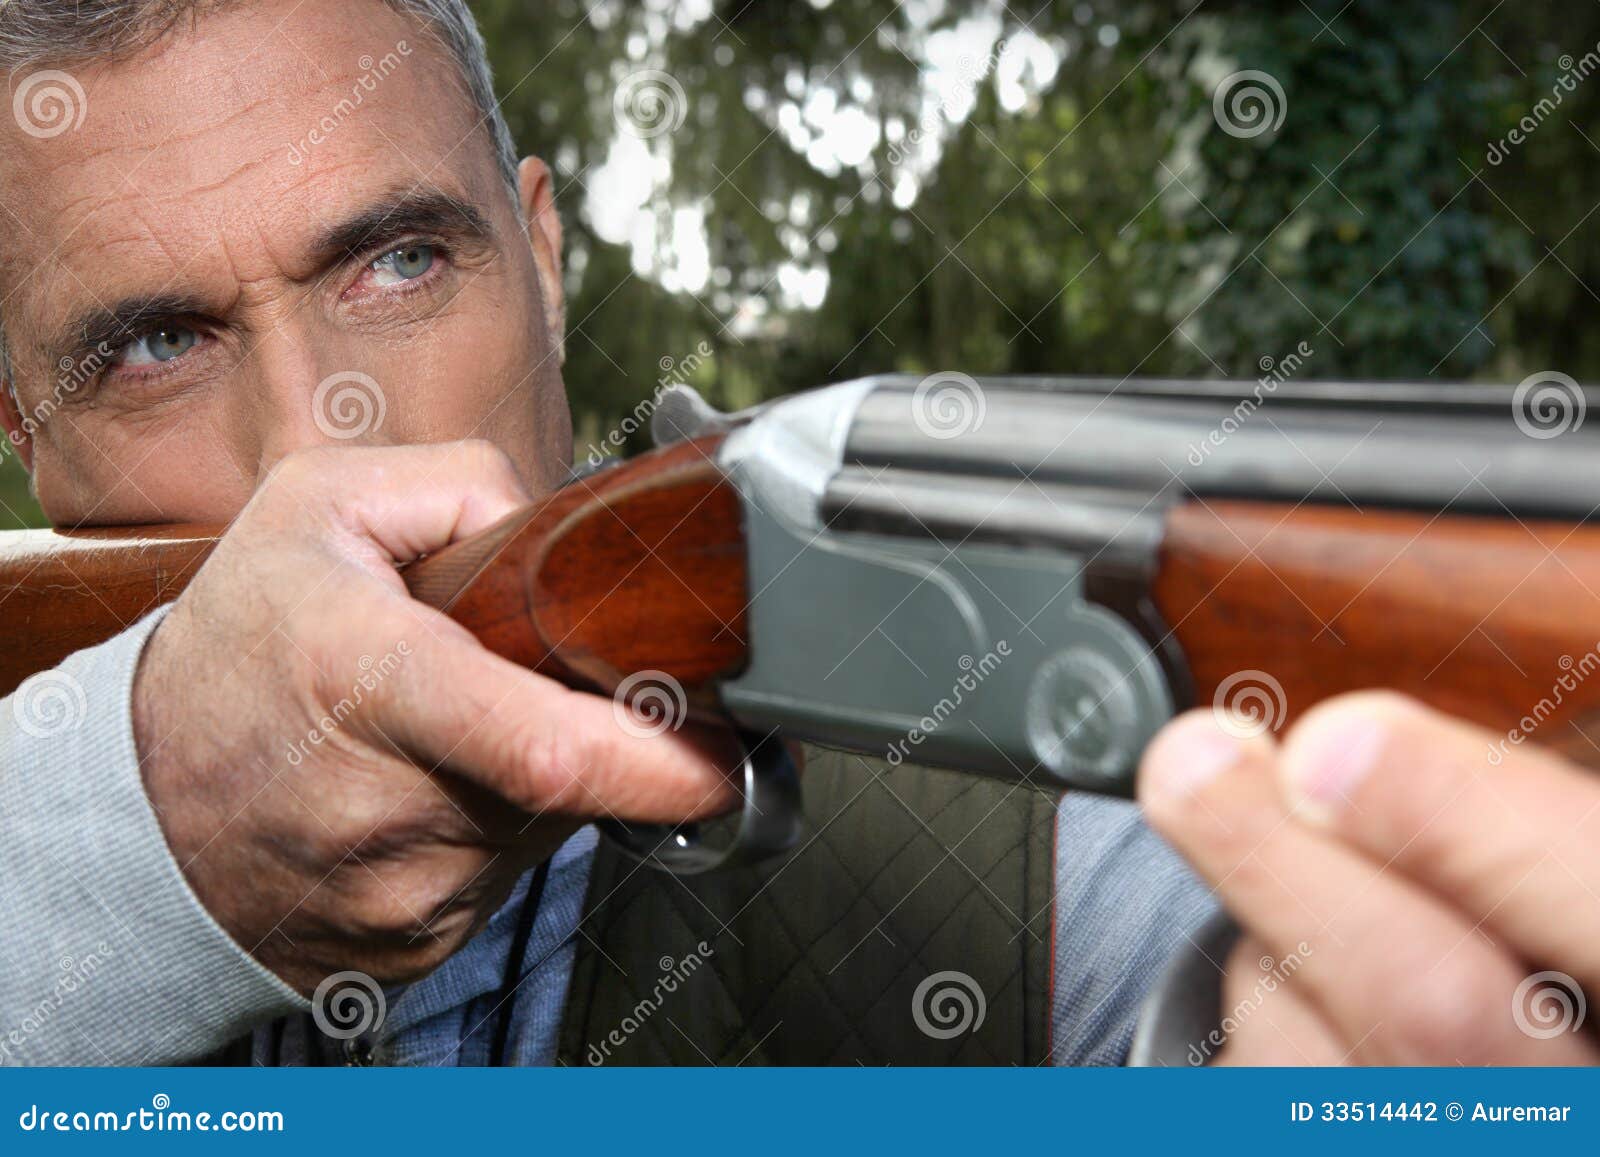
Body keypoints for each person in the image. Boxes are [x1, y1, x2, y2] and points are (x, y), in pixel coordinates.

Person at [0, 0, 1592, 1067]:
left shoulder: (1017, 855)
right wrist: (139, 840)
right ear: (22, 429)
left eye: (401, 264)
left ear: (544, 261)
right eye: (155, 347)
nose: (314, 443)